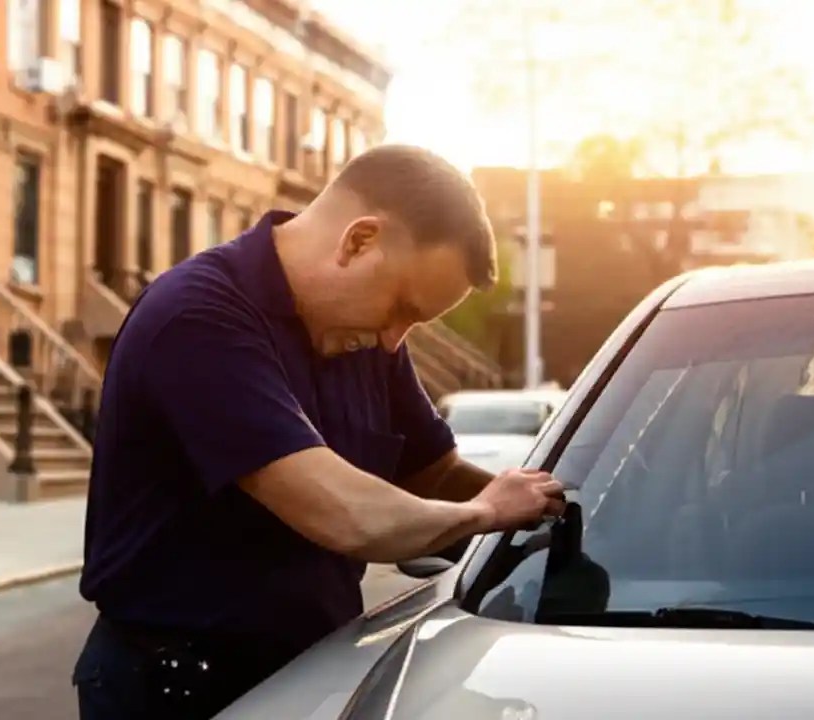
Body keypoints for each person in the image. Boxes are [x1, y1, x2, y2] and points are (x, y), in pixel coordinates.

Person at [72, 144, 566, 719]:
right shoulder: (199, 318)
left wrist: (565, 518)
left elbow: (436, 475)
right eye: (401, 307)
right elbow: (346, 514)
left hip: (314, 672)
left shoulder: (364, 333)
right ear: (358, 241)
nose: (394, 340)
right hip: (177, 690)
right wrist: (487, 514)